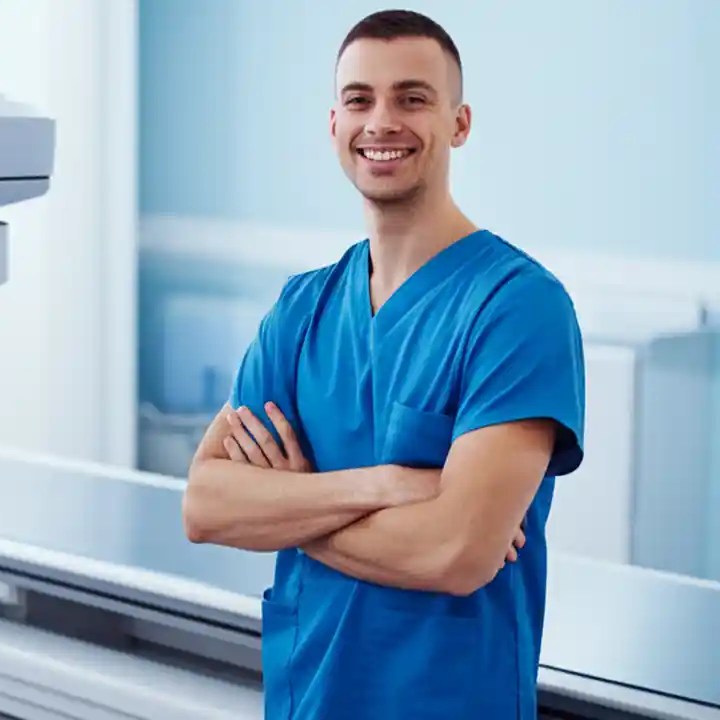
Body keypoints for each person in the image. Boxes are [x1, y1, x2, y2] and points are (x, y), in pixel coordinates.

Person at [181, 9, 586, 720]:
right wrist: (392, 485)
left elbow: (457, 553)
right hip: (307, 698)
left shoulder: (517, 308)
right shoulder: (301, 310)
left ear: (459, 123)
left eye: (413, 98)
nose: (382, 122)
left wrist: (287, 506)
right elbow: (207, 505)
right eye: (360, 100)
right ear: (333, 123)